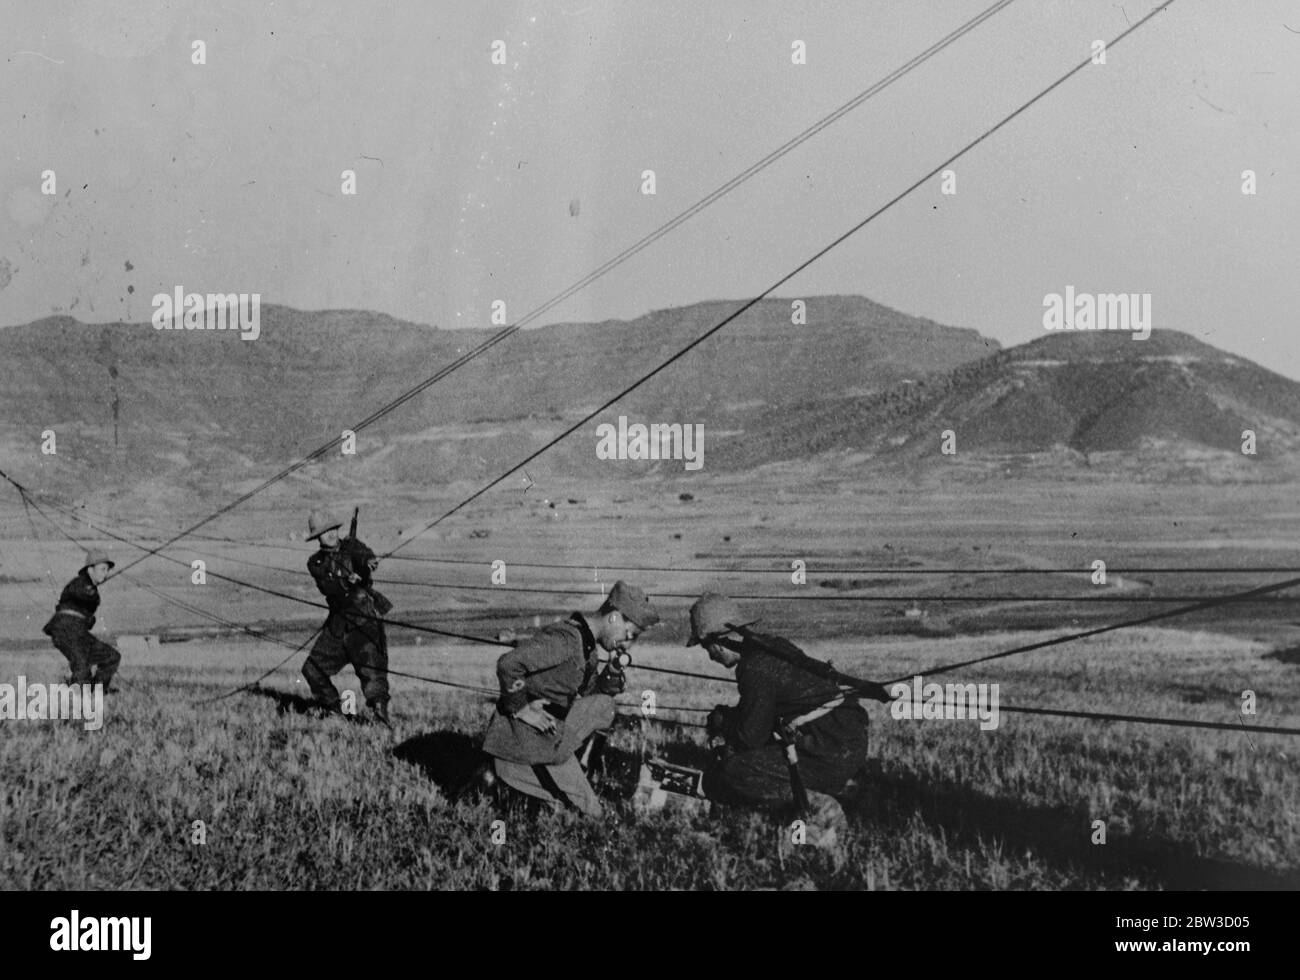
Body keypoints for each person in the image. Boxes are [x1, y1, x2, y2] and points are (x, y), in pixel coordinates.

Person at [686, 592, 888, 813]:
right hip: (845, 739)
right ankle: (842, 787)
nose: (710, 656)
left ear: (718, 640)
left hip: (829, 751)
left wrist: (723, 722)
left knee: (734, 769)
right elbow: (765, 713)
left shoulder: (754, 668)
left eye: (706, 648)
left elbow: (750, 738)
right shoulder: (772, 646)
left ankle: (815, 804)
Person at [480, 580, 660, 817]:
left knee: (604, 705)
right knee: (593, 814)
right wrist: (521, 708)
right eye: (629, 635)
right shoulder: (567, 639)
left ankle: (568, 772)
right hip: (525, 736)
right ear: (614, 617)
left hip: (548, 731)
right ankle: (521, 776)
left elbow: (588, 692)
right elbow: (508, 664)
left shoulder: (587, 647)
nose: (627, 644)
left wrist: (609, 680)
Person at [301, 510, 393, 724]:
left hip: (363, 620)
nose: (331, 535)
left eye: (333, 529)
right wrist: (346, 581)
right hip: (338, 624)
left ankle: (382, 723)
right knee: (312, 670)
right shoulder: (315, 562)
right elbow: (328, 585)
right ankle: (337, 712)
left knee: (373, 676)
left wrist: (369, 563)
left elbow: (365, 557)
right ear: (317, 538)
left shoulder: (353, 546)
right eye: (325, 532)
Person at [43, 550, 121, 690]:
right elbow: (78, 592)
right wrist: (89, 591)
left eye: (107, 570)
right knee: (81, 664)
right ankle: (77, 700)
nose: (106, 573)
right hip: (65, 631)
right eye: (102, 569)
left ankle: (98, 691)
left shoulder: (91, 590)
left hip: (79, 632)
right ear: (90, 569)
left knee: (112, 657)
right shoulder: (79, 583)